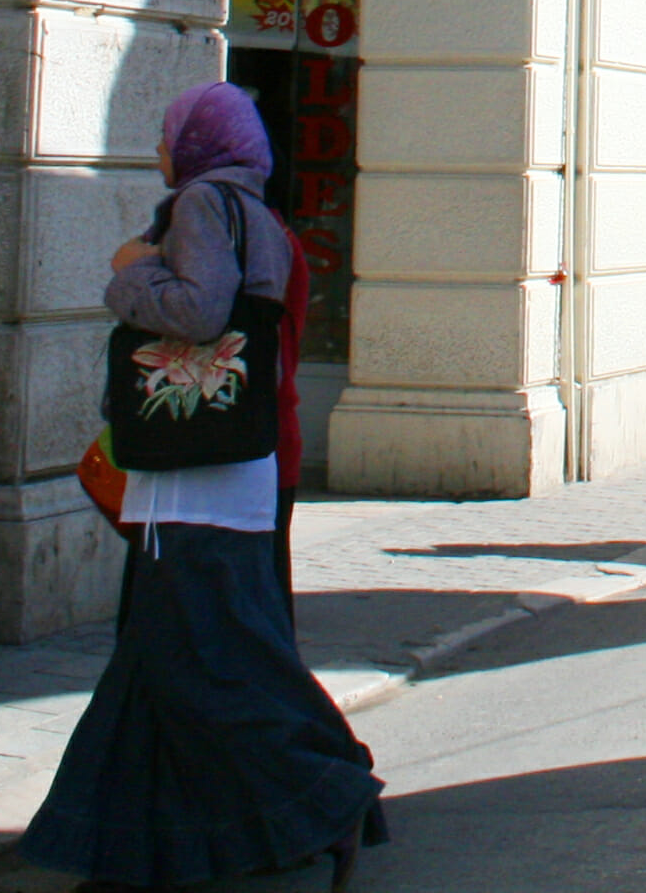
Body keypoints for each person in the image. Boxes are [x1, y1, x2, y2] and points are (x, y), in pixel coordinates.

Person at [26, 82, 383, 888]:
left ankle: (326, 796)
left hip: (197, 477)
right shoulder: (259, 214)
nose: (160, 148)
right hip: (232, 467)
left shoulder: (200, 205)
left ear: (198, 144)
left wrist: (128, 275)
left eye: (167, 134)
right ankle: (140, 844)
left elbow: (198, 308)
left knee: (205, 664)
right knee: (188, 658)